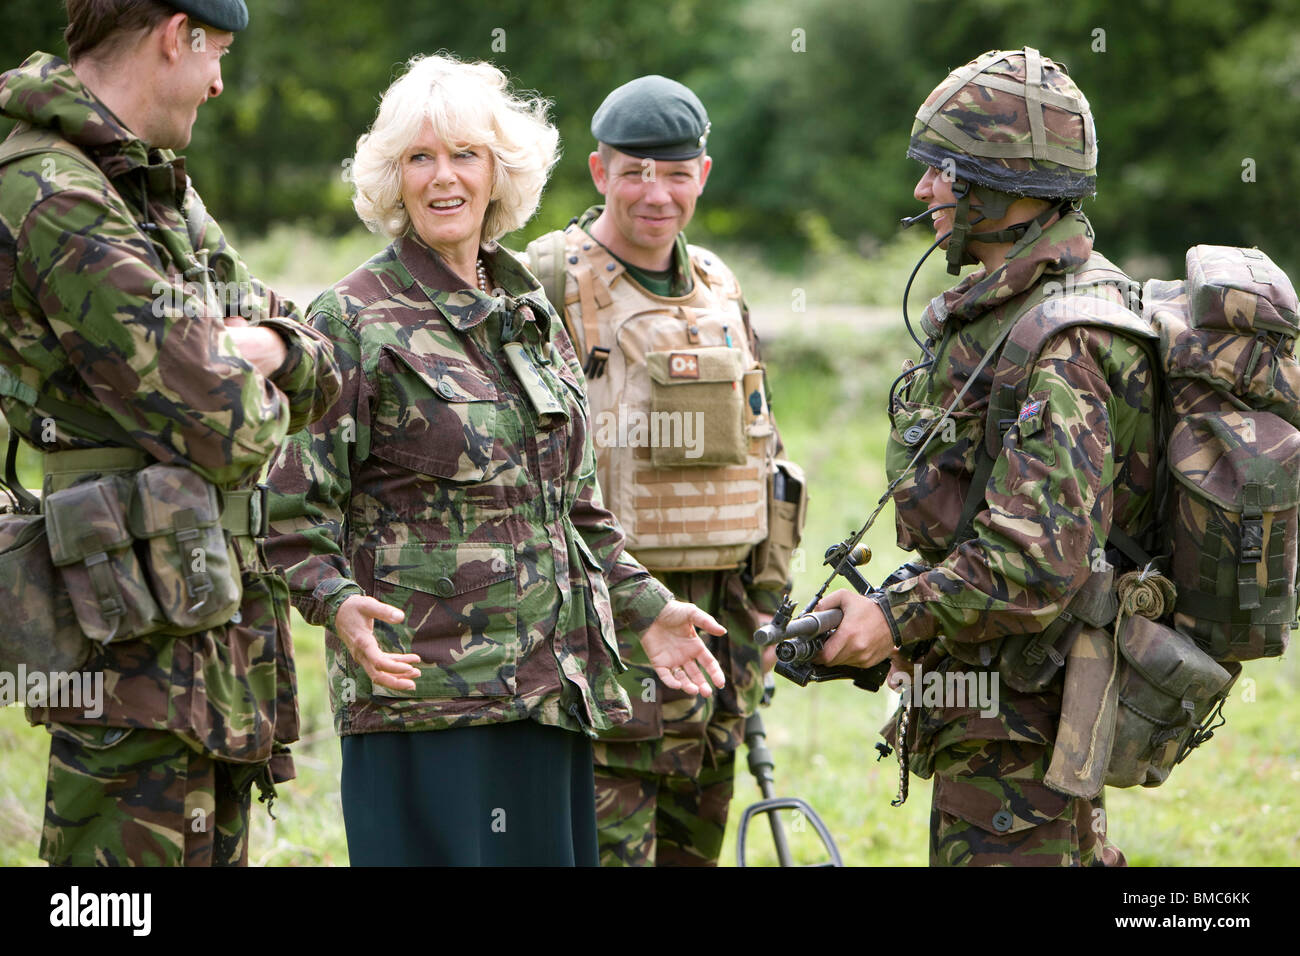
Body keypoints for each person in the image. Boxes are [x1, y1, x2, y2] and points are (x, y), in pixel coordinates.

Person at [263, 54, 729, 867]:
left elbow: (573, 510)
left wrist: (648, 609)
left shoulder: (528, 314)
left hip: (549, 697)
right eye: (419, 158)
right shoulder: (350, 318)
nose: (443, 179)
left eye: (465, 155)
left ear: (499, 172)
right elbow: (288, 512)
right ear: (392, 177)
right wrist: (334, 603)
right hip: (426, 703)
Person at [0, 0, 340, 866]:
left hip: (206, 629)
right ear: (174, 35)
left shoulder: (144, 183)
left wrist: (260, 346)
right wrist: (245, 371)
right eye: (216, 52)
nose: (220, 81)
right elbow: (229, 430)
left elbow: (319, 361)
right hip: (130, 646)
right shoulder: (52, 192)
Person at [815, 47, 1155, 866]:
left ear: (1002, 189)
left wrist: (894, 617)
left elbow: (1036, 561)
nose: (926, 190)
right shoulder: (1014, 313)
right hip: (1004, 703)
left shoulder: (1066, 337)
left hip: (1028, 719)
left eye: (945, 172)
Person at [526, 76, 803, 867]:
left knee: (693, 845)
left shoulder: (719, 283)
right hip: (606, 622)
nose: (656, 193)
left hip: (720, 620)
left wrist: (765, 611)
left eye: (676, 173)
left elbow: (764, 451)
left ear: (703, 176)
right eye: (635, 171)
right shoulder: (549, 279)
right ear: (598, 171)